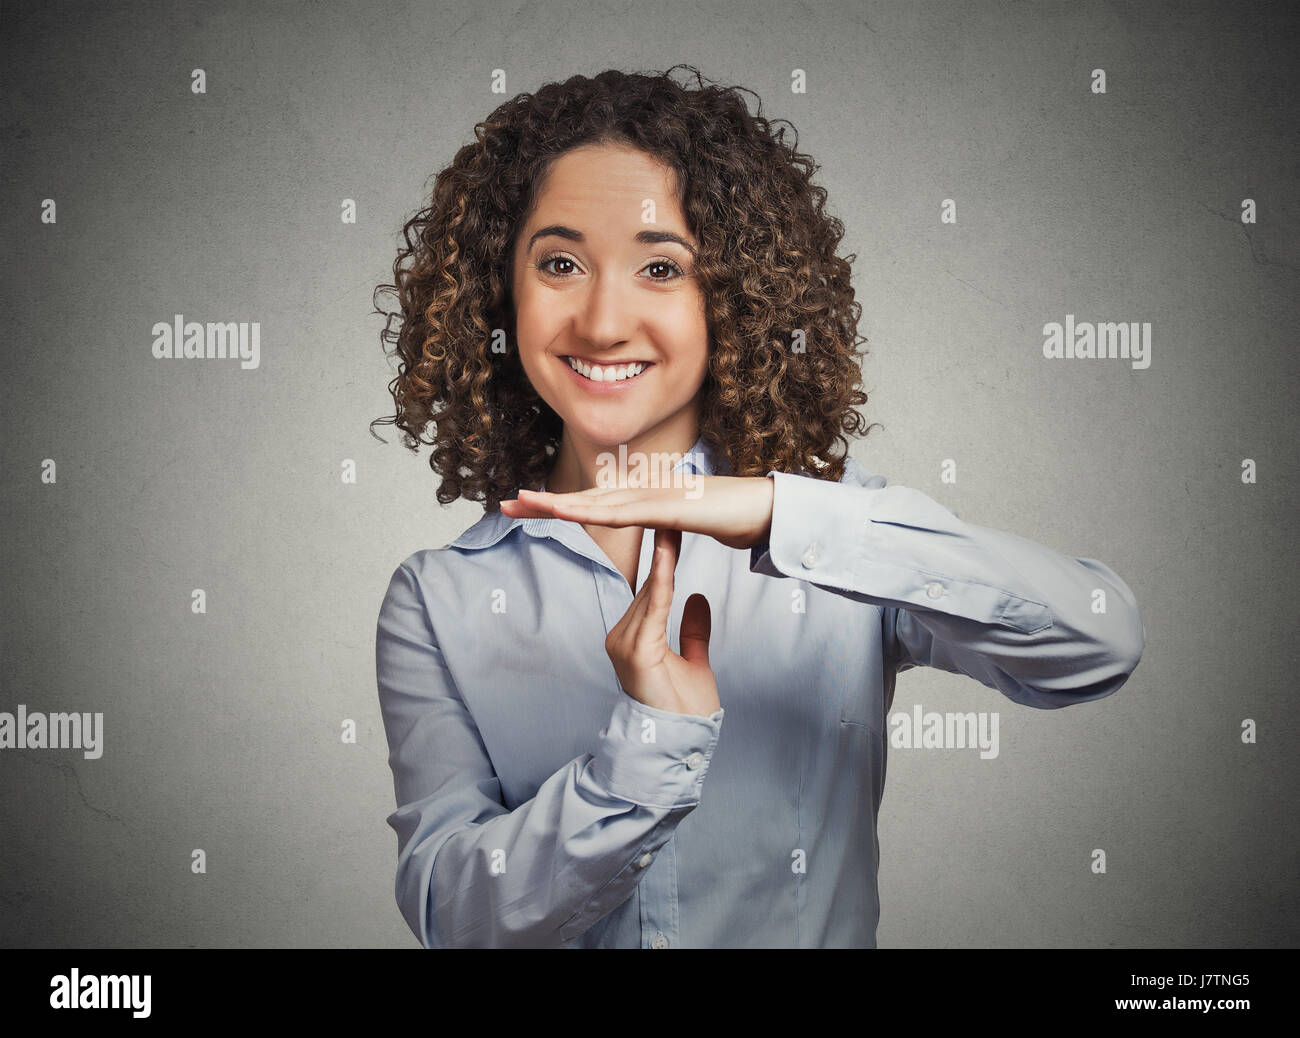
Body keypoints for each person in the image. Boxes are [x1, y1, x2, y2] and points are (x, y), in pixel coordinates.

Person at [371, 66, 1146, 948]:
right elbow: (451, 912)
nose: (600, 319)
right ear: (499, 291)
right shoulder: (439, 600)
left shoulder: (847, 539)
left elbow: (1098, 640)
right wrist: (649, 752)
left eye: (661, 267)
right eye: (560, 263)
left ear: (733, 299)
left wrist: (786, 515)